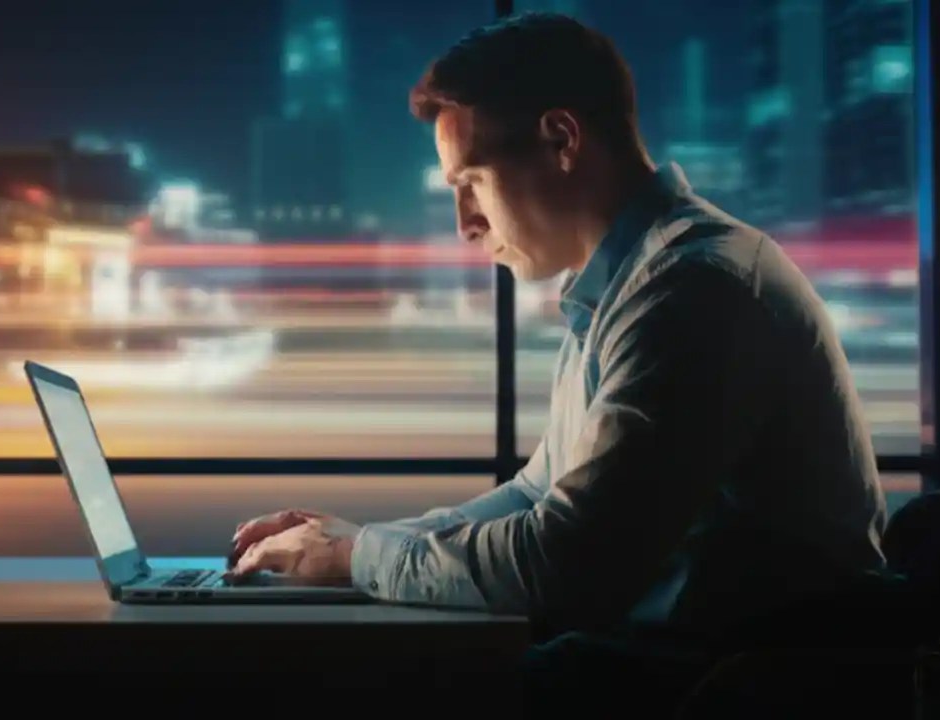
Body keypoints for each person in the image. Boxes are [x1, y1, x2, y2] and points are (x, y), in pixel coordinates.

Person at [226, 11, 890, 708]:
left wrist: (359, 557)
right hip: (687, 666)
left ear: (561, 140)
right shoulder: (626, 289)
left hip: (736, 687)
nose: (465, 224)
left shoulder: (693, 291)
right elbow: (537, 495)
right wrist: (356, 542)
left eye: (472, 182)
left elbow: (567, 562)